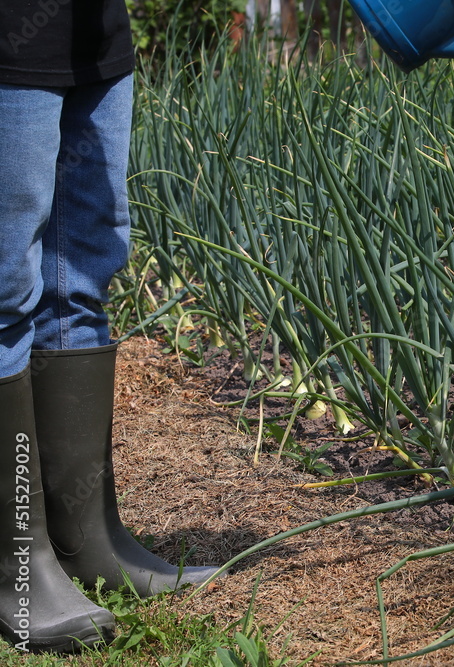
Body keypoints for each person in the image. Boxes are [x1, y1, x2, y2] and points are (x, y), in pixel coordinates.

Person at [1, 1, 222, 652]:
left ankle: (86, 539)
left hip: (91, 32)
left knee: (82, 277)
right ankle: (18, 564)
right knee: (6, 287)